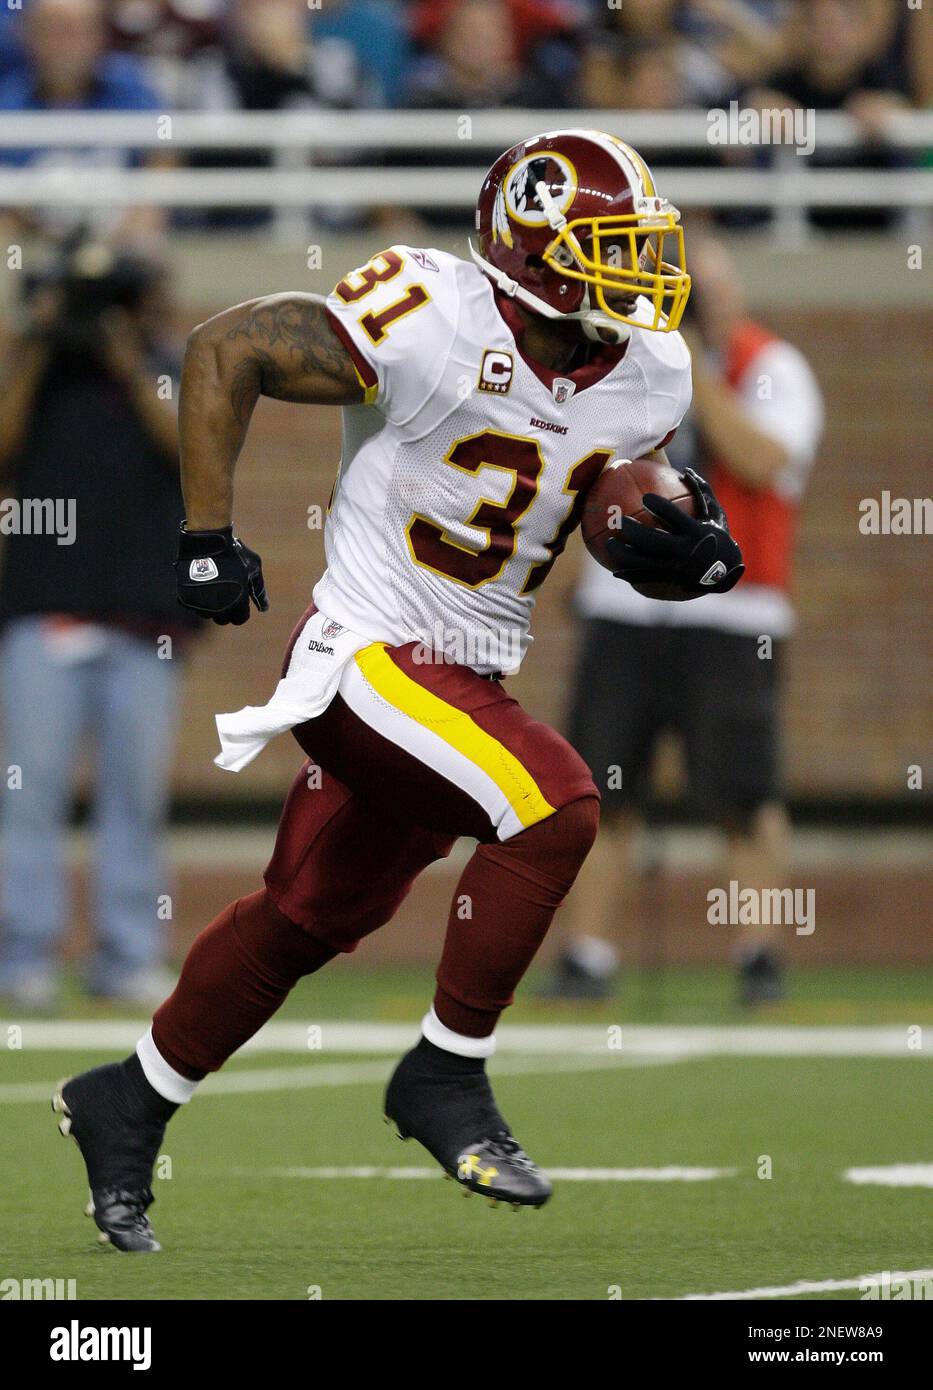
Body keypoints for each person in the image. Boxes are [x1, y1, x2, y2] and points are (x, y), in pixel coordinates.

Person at [53, 130, 744, 1251]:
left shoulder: (649, 370)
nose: (642, 272)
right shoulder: (435, 309)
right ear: (538, 245)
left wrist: (676, 546)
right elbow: (226, 349)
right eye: (613, 246)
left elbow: (598, 498)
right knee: (554, 803)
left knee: (307, 914)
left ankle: (127, 1098)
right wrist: (205, 538)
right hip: (366, 655)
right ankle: (446, 1070)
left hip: (463, 675)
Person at [549, 233, 823, 1005]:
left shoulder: (770, 366)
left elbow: (764, 459)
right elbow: (591, 483)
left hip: (734, 611)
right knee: (599, 790)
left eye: (699, 292)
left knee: (744, 793)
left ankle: (758, 952)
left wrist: (693, 370)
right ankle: (586, 958)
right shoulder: (621, 372)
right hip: (625, 609)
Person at [0, 237, 198, 1010]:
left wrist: (129, 357)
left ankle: (127, 952)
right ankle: (22, 954)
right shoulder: (39, 376)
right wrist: (41, 350)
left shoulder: (168, 368)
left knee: (134, 796)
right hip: (45, 610)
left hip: (143, 617)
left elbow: (186, 446)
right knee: (30, 791)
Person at [0, 0, 169, 245]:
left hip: (122, 246)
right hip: (35, 246)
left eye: (79, 32)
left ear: (101, 36)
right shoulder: (9, 104)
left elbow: (164, 156)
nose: (67, 46)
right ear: (29, 36)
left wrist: (139, 221)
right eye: (54, 31)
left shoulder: (133, 91)